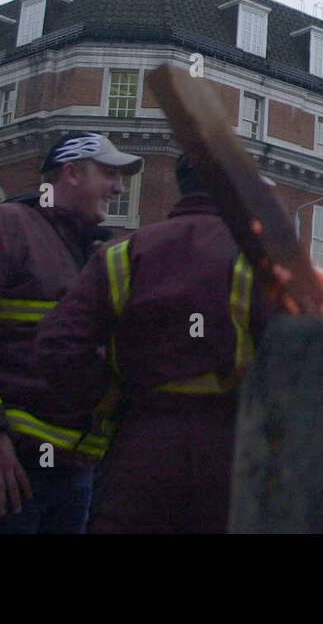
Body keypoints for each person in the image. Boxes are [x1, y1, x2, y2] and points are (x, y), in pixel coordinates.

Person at [36, 153, 274, 532]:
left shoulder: (121, 254)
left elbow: (56, 345)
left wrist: (108, 398)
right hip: (231, 450)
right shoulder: (263, 259)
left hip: (141, 446)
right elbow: (298, 367)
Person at [0, 131, 140, 533]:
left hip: (71, 469)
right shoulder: (2, 227)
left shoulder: (93, 255)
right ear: (70, 173)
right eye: (109, 173)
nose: (119, 187)